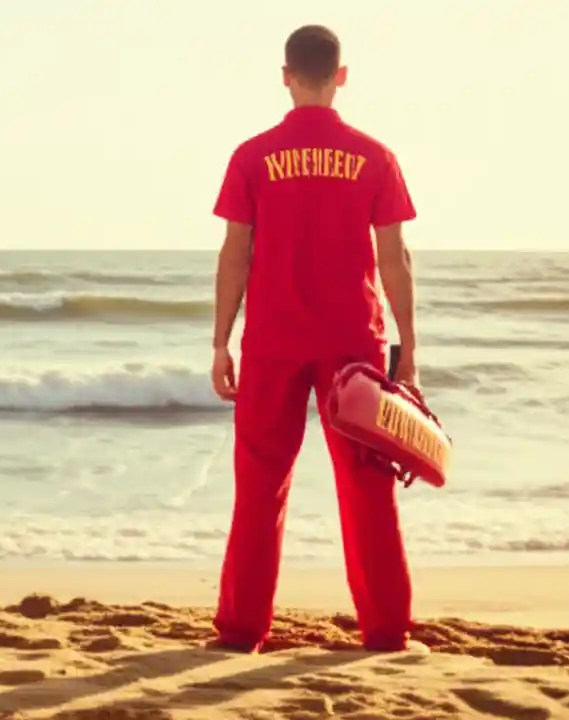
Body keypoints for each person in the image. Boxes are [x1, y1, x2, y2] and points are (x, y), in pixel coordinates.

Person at [209, 24, 419, 652]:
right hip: (353, 344)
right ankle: (386, 630)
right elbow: (394, 259)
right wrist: (408, 348)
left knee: (259, 484)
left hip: (272, 341)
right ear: (341, 76)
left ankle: (241, 629)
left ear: (286, 76)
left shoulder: (252, 156)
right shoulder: (374, 157)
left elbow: (234, 255)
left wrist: (220, 342)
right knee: (367, 488)